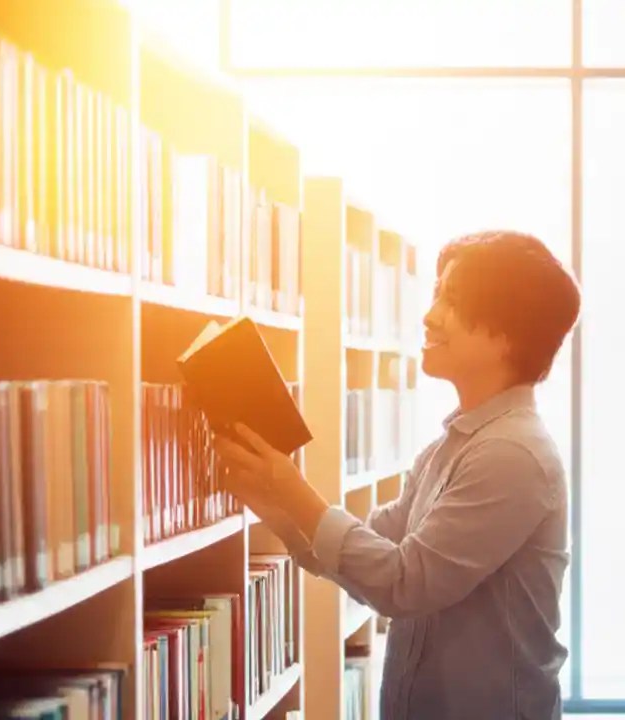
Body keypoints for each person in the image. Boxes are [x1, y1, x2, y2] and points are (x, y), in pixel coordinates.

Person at [215, 229, 581, 720]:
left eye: (452, 300)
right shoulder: (450, 448)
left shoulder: (513, 455)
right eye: (436, 296)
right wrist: (276, 505)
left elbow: (404, 584)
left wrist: (292, 489)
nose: (430, 317)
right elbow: (366, 551)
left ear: (506, 335)